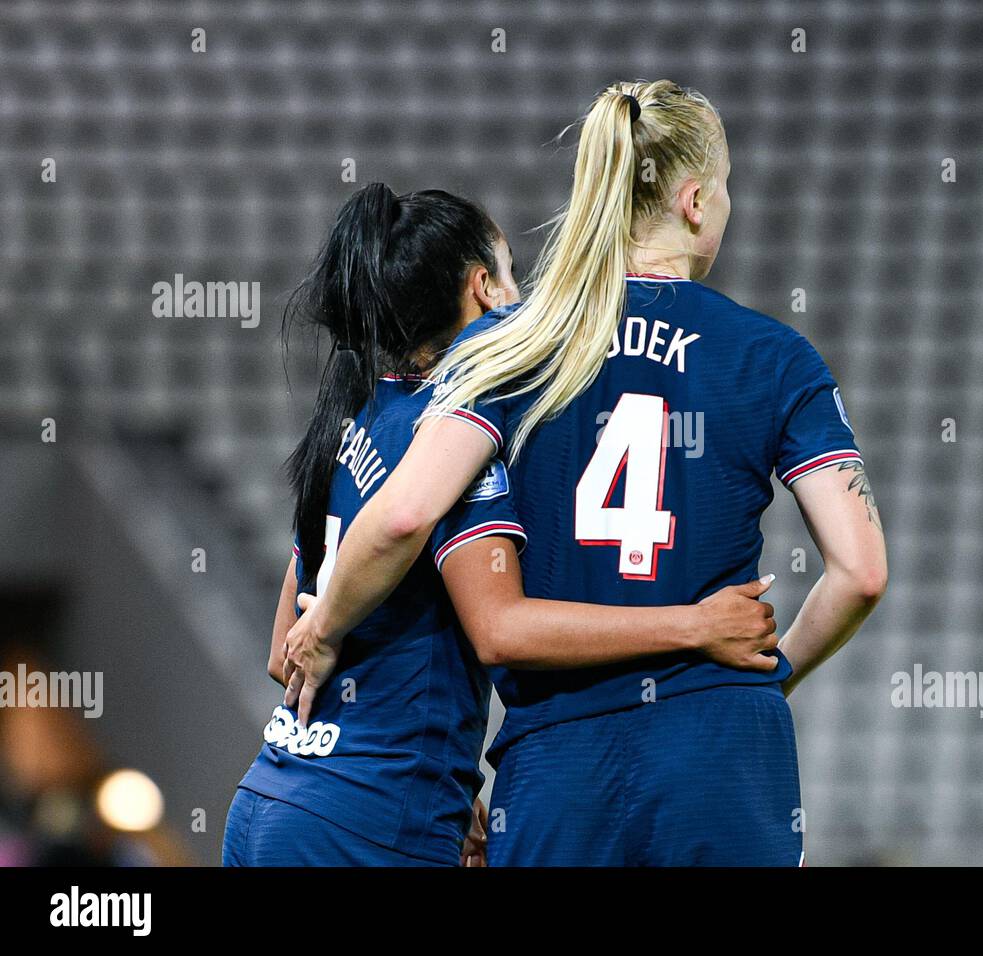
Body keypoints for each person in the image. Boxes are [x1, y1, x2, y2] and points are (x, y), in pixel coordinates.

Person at [286, 80, 887, 866]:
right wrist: (767, 682)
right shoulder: (774, 357)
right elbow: (861, 573)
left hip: (559, 767)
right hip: (723, 756)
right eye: (729, 183)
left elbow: (403, 512)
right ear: (697, 201)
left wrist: (323, 625)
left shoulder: (508, 350)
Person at [224, 183, 779, 867]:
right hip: (368, 825)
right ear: (483, 288)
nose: (521, 297)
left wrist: (446, 788)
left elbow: (284, 651)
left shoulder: (352, 423)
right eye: (512, 271)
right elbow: (502, 629)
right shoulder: (455, 445)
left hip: (271, 799)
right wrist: (694, 625)